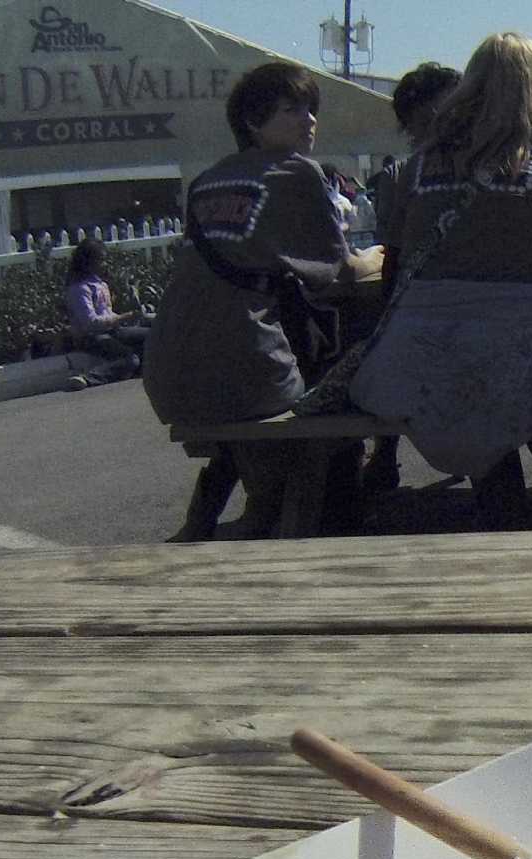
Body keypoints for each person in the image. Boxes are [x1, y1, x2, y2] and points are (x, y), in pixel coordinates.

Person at [348, 32, 532, 513]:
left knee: (479, 407)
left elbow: (398, 254)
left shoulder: (420, 162)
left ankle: (501, 515)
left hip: (418, 345)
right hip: (515, 329)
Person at [144, 61, 384, 540]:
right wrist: (383, 255)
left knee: (250, 400)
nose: (309, 120)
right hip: (244, 369)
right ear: (253, 122)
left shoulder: (206, 181)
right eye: (292, 110)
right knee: (331, 401)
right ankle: (284, 528)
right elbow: (341, 274)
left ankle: (202, 523)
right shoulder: (297, 173)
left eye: (311, 110)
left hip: (166, 370)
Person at [360, 61, 462, 499]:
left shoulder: (406, 173)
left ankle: (384, 450)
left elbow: (392, 255)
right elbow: (394, 251)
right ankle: (385, 450)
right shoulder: (403, 174)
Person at [62, 235, 148, 389]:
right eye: (100, 260)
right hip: (92, 337)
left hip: (113, 330)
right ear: (87, 263)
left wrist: (132, 315)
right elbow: (91, 324)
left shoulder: (100, 284)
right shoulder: (79, 288)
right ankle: (88, 378)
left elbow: (108, 314)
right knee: (130, 359)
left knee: (151, 334)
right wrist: (123, 317)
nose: (104, 264)